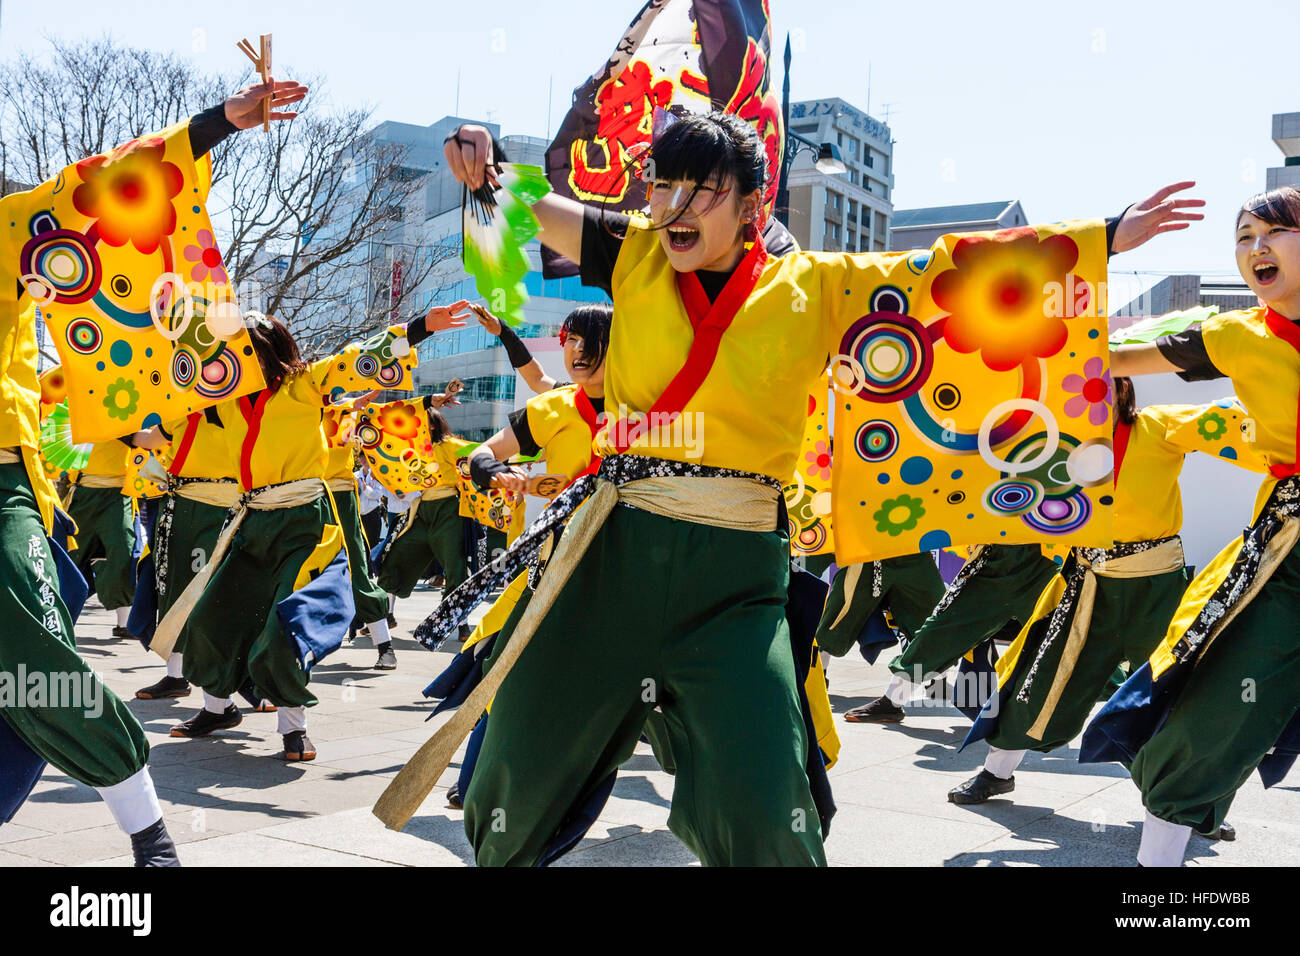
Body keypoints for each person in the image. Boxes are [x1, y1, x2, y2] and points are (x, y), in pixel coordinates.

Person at [423, 110, 1196, 866]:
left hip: (731, 580)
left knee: (763, 794)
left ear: (753, 205)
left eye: (702, 191)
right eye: (662, 186)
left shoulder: (815, 286)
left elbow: (951, 267)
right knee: (516, 767)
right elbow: (533, 208)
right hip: (611, 553)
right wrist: (483, 168)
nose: (675, 207)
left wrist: (1100, 237)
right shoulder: (633, 251)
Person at [0, 77, 307, 865]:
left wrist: (219, 123)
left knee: (33, 662)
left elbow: (97, 191)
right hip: (174, 499)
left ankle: (147, 827)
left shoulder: (4, 231)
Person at [1083, 186, 1300, 866]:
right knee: (1216, 700)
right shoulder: (1235, 336)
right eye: (1243, 237)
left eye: (1274, 232)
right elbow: (1110, 356)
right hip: (1290, 550)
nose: (1255, 248)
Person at [950, 379, 1260, 824]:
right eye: (1082, 388)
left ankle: (1193, 798)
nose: (1093, 398)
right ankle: (997, 772)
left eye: (1104, 387)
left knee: (1178, 692)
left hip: (1156, 589)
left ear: (1123, 392)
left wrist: (1276, 394)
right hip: (1088, 586)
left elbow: (1223, 419)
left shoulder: (1157, 426)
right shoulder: (1056, 444)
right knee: (1040, 679)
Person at [163, 307, 460, 759]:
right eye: (229, 351)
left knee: (287, 625)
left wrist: (420, 328)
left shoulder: (305, 386)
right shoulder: (222, 401)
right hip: (252, 519)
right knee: (213, 615)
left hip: (305, 521)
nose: (233, 357)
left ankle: (293, 728)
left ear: (267, 351)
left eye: (243, 349)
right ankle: (218, 709)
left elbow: (357, 359)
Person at [843, 544, 1060, 723]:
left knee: (1067, 640)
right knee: (937, 632)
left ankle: (1060, 713)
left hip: (1047, 561)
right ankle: (891, 702)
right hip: (995, 561)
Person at [64, 440, 136, 636]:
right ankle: (59, 617)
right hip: (83, 491)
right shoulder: (74, 414)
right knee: (70, 555)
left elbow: (143, 439)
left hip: (119, 493)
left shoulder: (126, 417)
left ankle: (124, 623)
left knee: (123, 552)